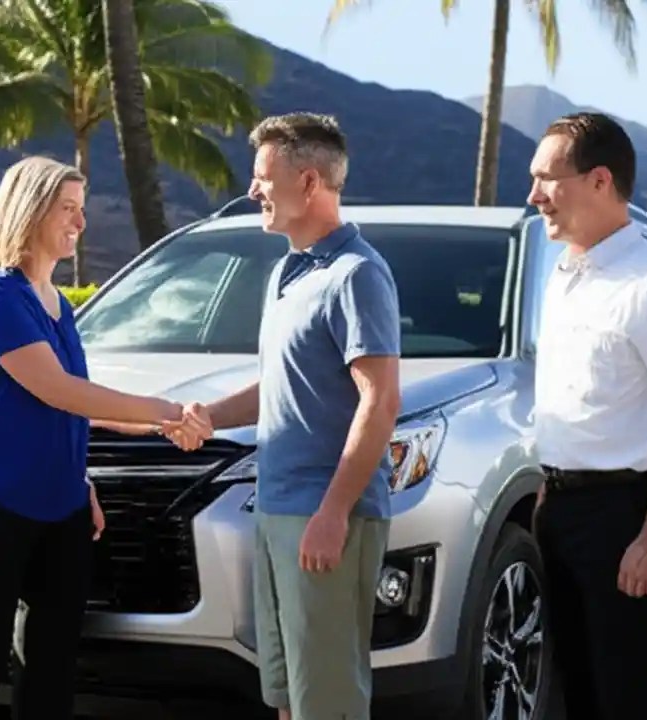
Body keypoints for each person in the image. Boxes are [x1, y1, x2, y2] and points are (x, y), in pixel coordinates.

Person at [0, 155, 208, 720]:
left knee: (50, 675)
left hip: (60, 511)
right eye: (68, 209)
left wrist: (80, 477)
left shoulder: (57, 305)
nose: (81, 223)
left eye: (81, 210)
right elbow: (57, 390)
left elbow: (77, 407)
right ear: (30, 211)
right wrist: (164, 410)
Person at [176, 112, 402, 720]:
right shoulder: (286, 272)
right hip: (276, 509)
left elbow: (380, 402)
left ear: (308, 183)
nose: (253, 192)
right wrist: (207, 415)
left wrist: (333, 513)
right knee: (286, 694)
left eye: (263, 178)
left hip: (326, 517)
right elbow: (281, 383)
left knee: (327, 700)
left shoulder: (358, 275)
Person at [528, 112, 647, 720]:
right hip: (557, 508)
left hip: (620, 518)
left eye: (547, 179)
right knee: (575, 691)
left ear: (600, 179)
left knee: (626, 697)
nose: (535, 197)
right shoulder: (563, 276)